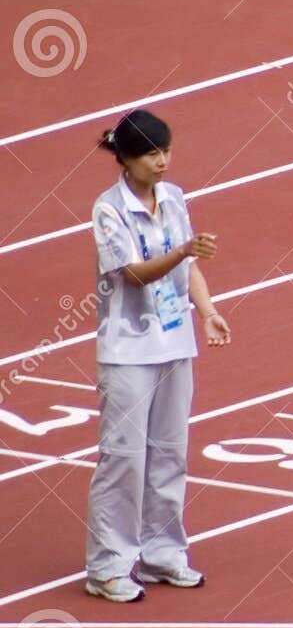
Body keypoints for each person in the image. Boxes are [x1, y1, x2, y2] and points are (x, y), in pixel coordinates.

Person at [85, 109, 230, 602]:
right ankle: (107, 566)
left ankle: (163, 553)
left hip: (175, 340)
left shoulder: (174, 197)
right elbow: (135, 274)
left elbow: (187, 269)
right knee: (123, 459)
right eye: (151, 153)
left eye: (166, 151)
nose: (162, 161)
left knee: (169, 453)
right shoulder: (109, 210)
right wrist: (186, 249)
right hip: (128, 348)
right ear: (125, 158)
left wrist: (207, 310)